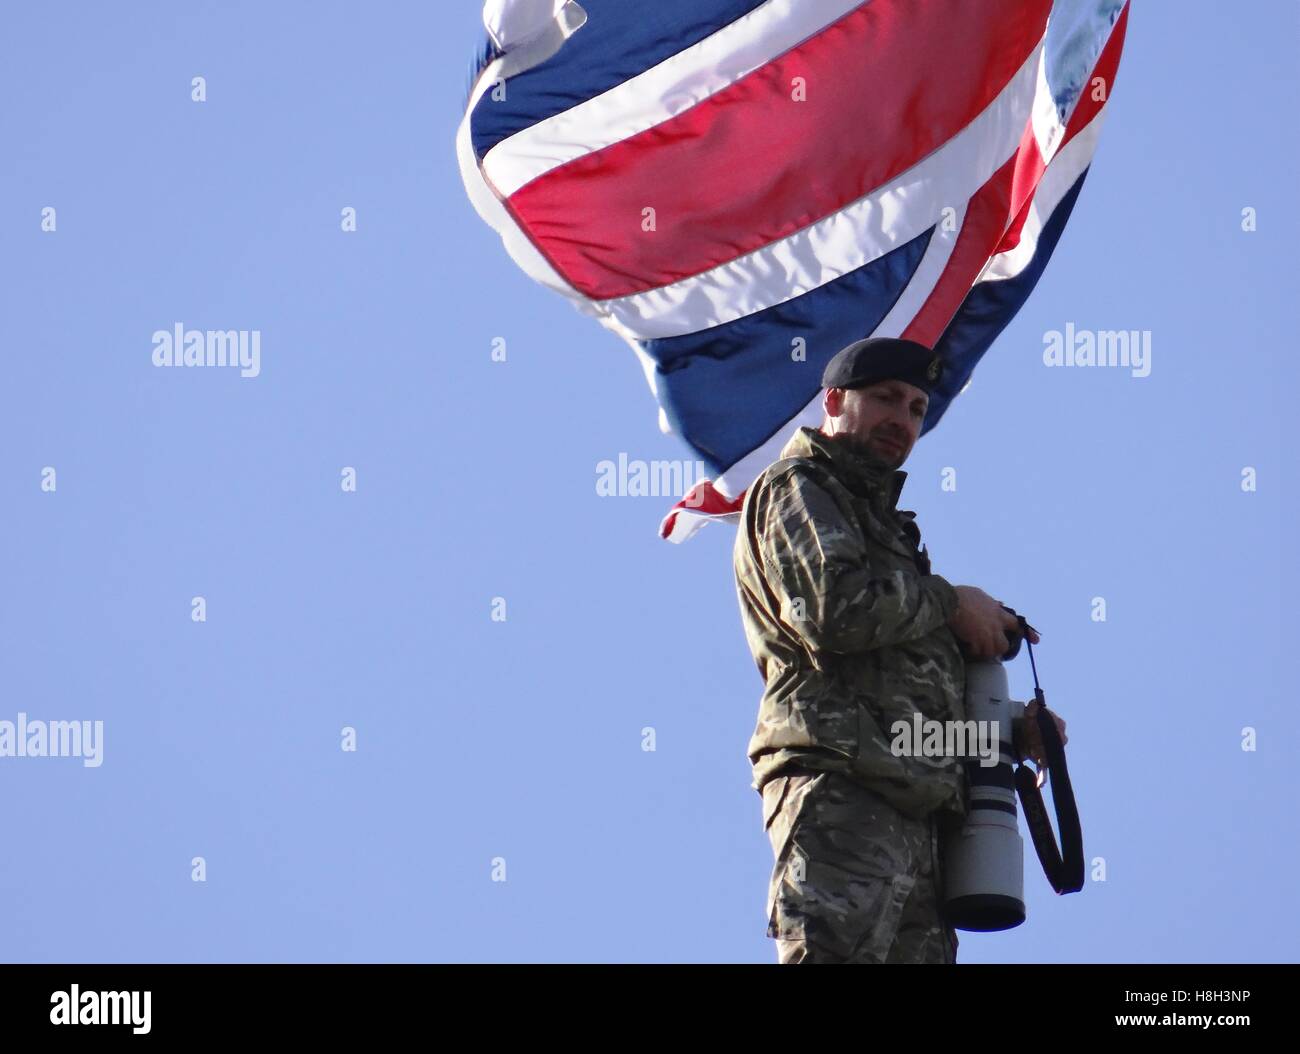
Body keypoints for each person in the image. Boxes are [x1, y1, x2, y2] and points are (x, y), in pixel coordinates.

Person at [732, 336, 1066, 964]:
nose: (903, 419)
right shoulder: (799, 485)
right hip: (842, 788)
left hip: (921, 816)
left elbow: (904, 691)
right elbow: (833, 610)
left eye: (915, 408)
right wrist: (952, 602)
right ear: (834, 401)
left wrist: (1007, 732)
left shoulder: (885, 527)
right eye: (885, 399)